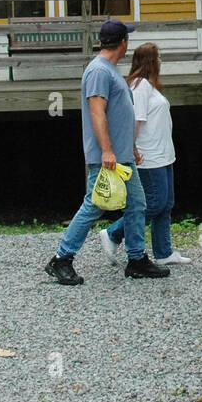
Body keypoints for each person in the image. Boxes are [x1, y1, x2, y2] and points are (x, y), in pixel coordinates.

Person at [45, 20, 169, 285]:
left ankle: (136, 260)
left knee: (137, 204)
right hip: (108, 157)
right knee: (95, 204)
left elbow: (119, 116)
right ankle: (61, 258)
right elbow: (97, 111)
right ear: (123, 42)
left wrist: (131, 147)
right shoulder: (98, 71)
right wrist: (107, 151)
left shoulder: (110, 70)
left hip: (122, 155)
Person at [99, 43, 190, 266]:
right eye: (157, 58)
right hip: (148, 156)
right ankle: (113, 233)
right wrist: (132, 148)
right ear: (150, 61)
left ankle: (163, 252)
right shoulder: (139, 86)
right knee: (155, 202)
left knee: (166, 203)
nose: (160, 61)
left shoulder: (151, 86)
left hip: (164, 154)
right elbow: (135, 120)